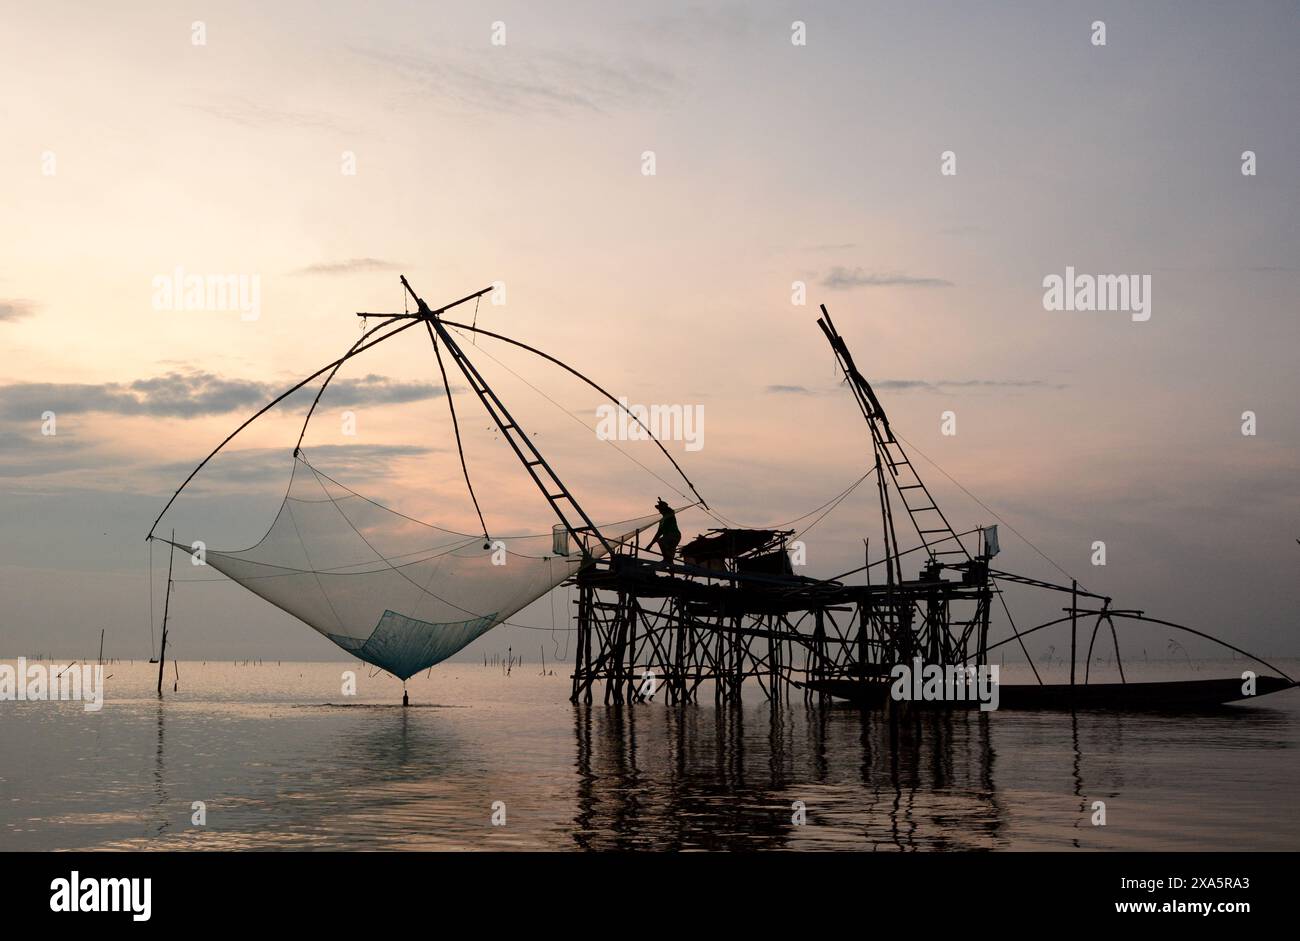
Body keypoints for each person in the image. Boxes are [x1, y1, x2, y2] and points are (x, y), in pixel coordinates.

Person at [646, 498, 680, 567]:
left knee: (661, 541)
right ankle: (671, 573)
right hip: (668, 537)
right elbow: (658, 533)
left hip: (674, 536)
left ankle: (666, 558)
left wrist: (663, 505)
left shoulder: (670, 514)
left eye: (660, 509)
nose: (659, 510)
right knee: (670, 560)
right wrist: (650, 545)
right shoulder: (662, 520)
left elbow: (671, 511)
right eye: (659, 509)